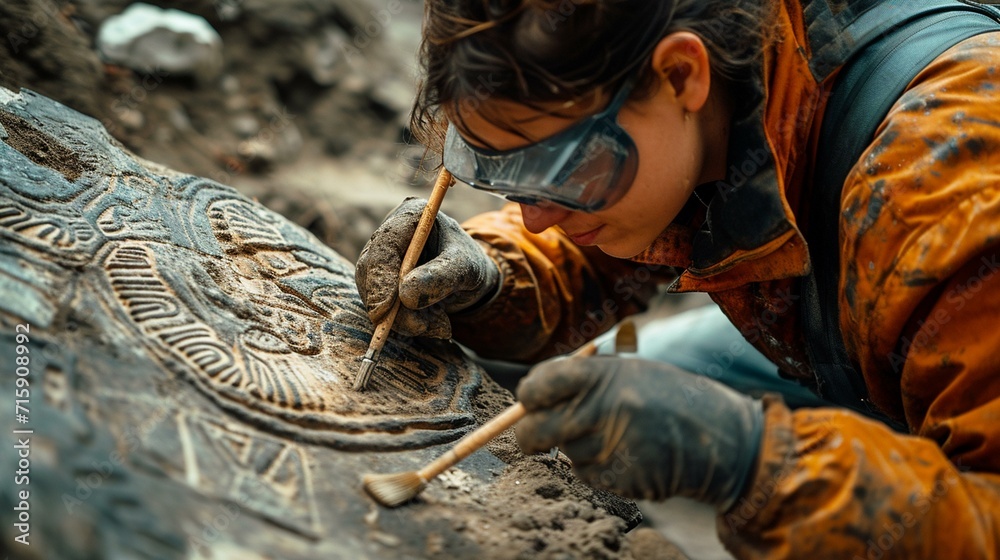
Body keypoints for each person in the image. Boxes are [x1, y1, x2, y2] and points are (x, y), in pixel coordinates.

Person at [355, 0, 1000, 557]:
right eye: (495, 166)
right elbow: (607, 246)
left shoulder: (947, 196)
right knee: (599, 391)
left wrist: (752, 462)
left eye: (556, 170)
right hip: (857, 341)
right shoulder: (720, 70)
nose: (535, 219)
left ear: (680, 73)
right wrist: (490, 277)